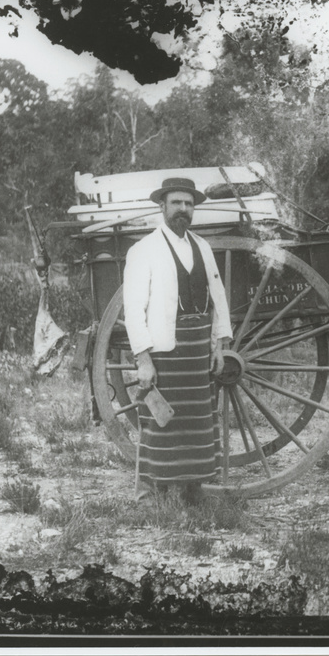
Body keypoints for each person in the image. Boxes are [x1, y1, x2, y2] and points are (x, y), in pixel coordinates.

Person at [122, 177, 233, 501]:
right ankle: (153, 494)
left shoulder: (202, 247)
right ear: (162, 206)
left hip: (198, 351)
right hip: (164, 351)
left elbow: (218, 298)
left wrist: (219, 345)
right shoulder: (143, 250)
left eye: (188, 204)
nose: (183, 209)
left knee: (197, 423)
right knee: (162, 422)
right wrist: (143, 360)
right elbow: (134, 309)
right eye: (176, 203)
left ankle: (192, 490)